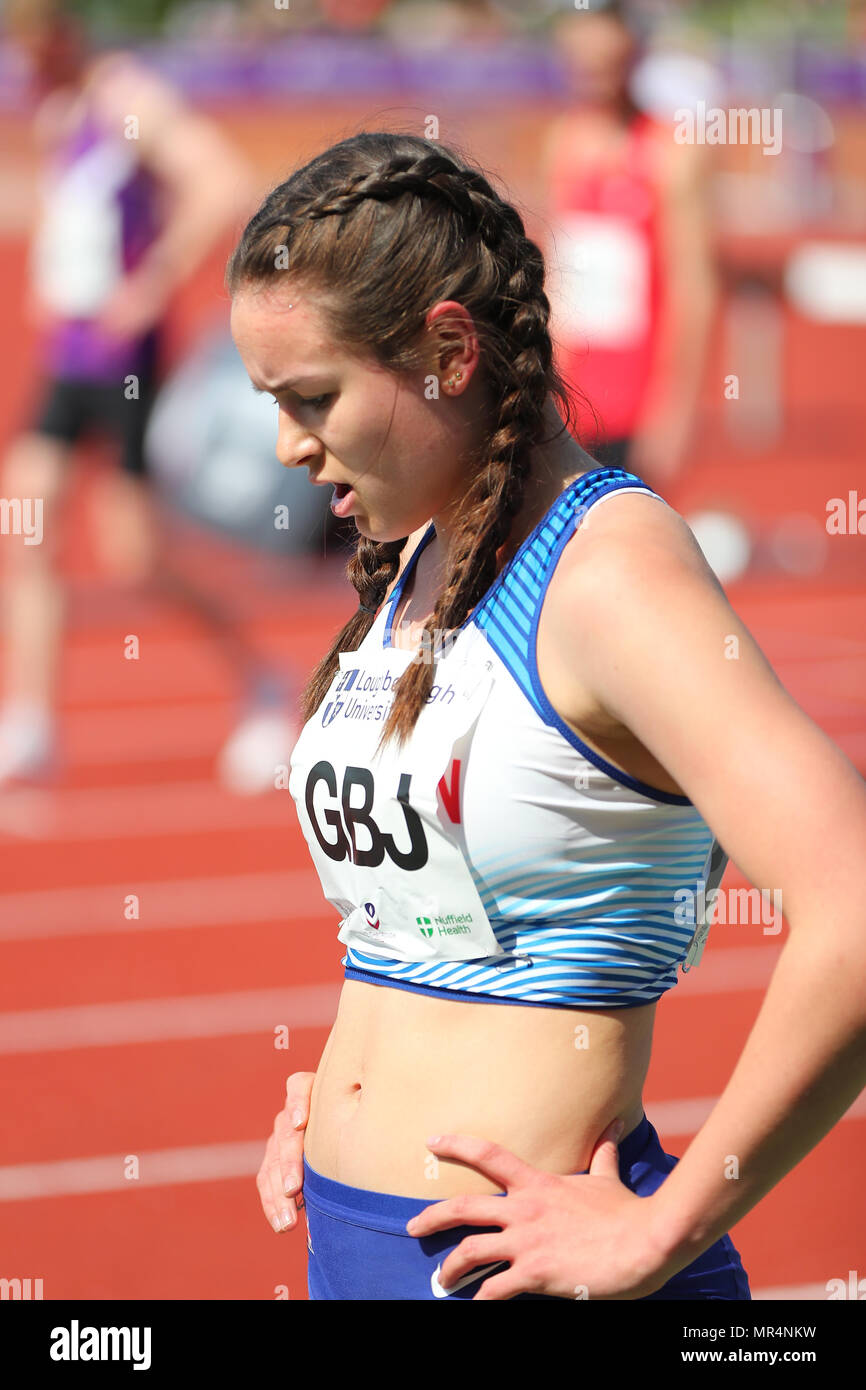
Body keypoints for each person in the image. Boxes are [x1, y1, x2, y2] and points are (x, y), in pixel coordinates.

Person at [231, 132, 866, 1300]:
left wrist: (659, 1227)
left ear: (447, 351)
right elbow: (432, 919)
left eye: (311, 396)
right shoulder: (416, 552)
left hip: (520, 1272)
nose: (287, 444)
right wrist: (351, 1080)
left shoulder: (607, 573)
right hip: (355, 1243)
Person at [0, 0, 297, 793]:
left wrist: (153, 281)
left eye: (30, 39)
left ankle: (262, 681)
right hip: (67, 357)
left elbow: (222, 181)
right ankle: (30, 720)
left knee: (135, 556)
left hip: (124, 361)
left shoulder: (129, 99)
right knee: (26, 520)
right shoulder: (58, 110)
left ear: (61, 29)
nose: (23, 59)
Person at [540, 0, 716, 486]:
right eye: (583, 65)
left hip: (637, 406)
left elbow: (694, 290)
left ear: (633, 53)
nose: (593, 75)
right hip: (571, 400)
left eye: (606, 62)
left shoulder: (670, 152)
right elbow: (560, 272)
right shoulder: (565, 142)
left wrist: (674, 411)